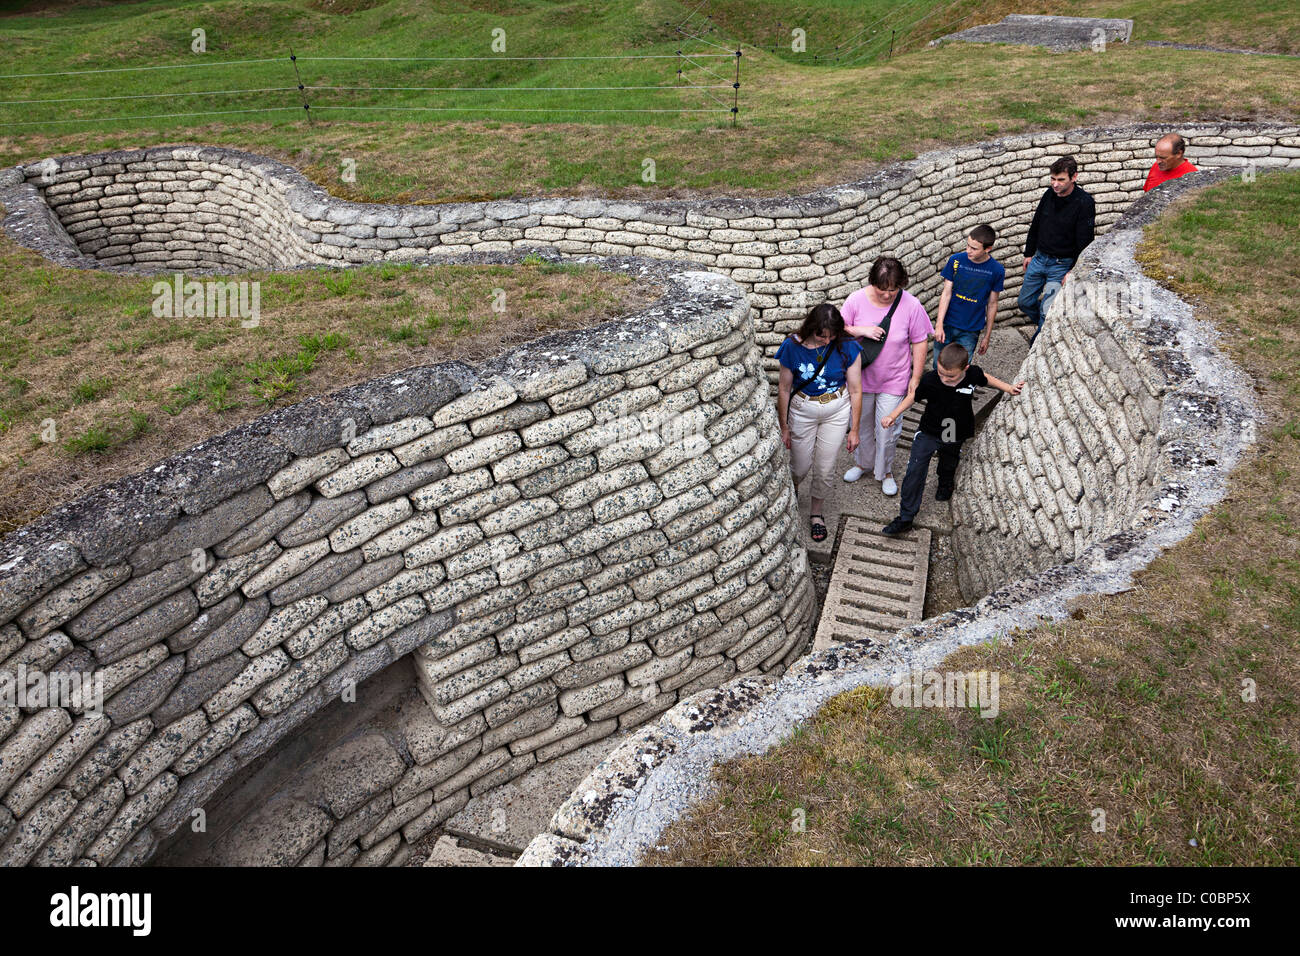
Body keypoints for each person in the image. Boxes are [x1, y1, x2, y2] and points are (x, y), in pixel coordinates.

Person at [880, 343, 1025, 536]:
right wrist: (893, 414)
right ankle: (906, 517)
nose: (944, 378)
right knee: (915, 470)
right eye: (941, 373)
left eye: (950, 376)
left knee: (949, 460)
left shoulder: (972, 374)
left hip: (954, 428)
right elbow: (913, 397)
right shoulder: (931, 380)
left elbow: (985, 378)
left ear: (964, 369)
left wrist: (1008, 388)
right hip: (929, 430)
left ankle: (945, 482)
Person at [840, 256, 933, 496]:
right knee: (861, 425)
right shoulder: (856, 300)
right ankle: (863, 463)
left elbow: (920, 341)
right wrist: (862, 330)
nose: (887, 295)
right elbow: (839, 330)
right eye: (882, 290)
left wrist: (916, 377)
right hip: (861, 379)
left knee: (887, 428)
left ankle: (885, 471)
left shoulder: (911, 305)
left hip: (894, 379)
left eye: (893, 289)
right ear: (873, 283)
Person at [777, 303, 863, 543]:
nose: (827, 340)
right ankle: (792, 489)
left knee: (825, 468)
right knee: (800, 465)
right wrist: (784, 426)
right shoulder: (792, 347)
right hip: (803, 408)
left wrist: (854, 429)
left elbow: (856, 390)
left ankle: (816, 513)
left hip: (836, 409)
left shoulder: (848, 347)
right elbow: (783, 389)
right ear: (810, 328)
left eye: (831, 335)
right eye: (821, 335)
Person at [1018, 155, 1095, 341]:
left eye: (1061, 180)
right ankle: (1045, 326)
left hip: (1061, 265)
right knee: (1024, 302)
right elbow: (1036, 224)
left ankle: (1037, 344)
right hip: (1039, 258)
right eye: (1053, 179)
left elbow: (1085, 241)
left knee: (1047, 310)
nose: (1055, 184)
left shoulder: (1084, 203)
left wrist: (1073, 270)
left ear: (1074, 177)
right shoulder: (1049, 194)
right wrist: (1029, 253)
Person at [933, 224, 1004, 370]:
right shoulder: (956, 260)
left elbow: (992, 304)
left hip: (971, 330)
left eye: (974, 248)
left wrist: (987, 336)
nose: (968, 250)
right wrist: (939, 324)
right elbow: (946, 293)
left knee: (961, 368)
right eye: (968, 245)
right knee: (937, 365)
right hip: (948, 323)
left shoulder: (996, 270)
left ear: (987, 249)